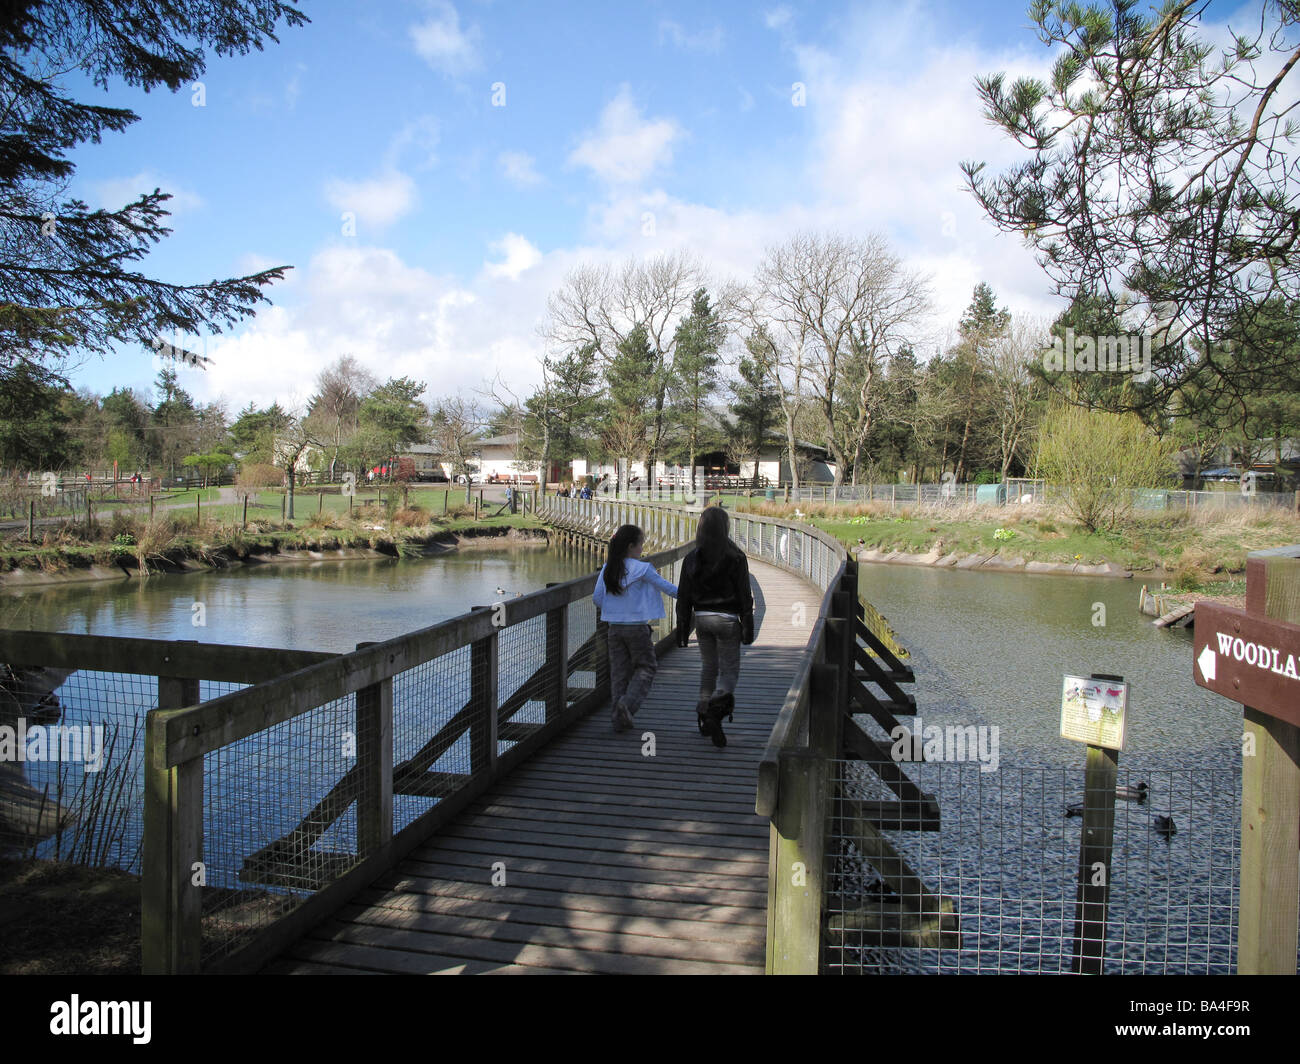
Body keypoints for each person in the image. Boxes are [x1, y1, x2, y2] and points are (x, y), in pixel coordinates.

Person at [675, 506, 755, 748]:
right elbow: (744, 594)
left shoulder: (692, 558)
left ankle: (703, 711)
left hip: (702, 620)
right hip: (728, 620)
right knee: (729, 672)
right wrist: (747, 625)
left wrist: (681, 627)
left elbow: (683, 596)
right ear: (725, 528)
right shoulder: (736, 557)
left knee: (708, 668)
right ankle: (715, 710)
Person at [593, 524, 678, 734]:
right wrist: (695, 594)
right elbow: (668, 588)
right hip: (637, 629)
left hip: (614, 629)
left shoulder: (608, 568)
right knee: (647, 667)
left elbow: (597, 598)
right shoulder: (643, 569)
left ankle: (617, 720)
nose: (643, 548)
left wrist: (615, 610)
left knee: (619, 673)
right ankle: (627, 705)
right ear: (631, 546)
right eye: (641, 544)